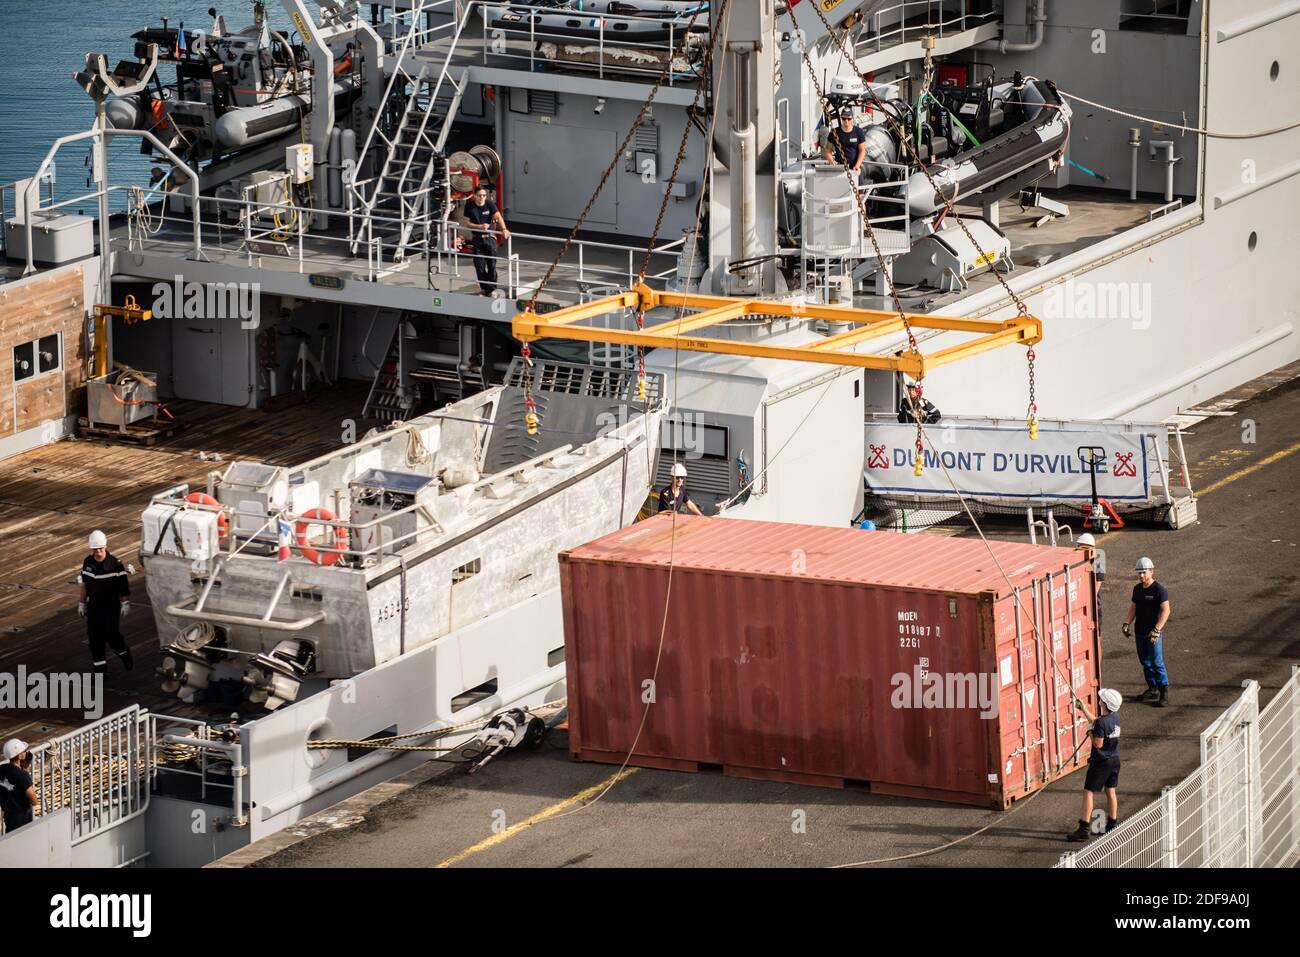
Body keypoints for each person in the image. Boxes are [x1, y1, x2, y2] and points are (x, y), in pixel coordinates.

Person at [1067, 688, 1123, 842]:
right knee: (1110, 791)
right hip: (1114, 760)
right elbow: (1097, 722)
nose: (1099, 700)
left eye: (1101, 699)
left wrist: (1090, 733)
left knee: (1088, 792)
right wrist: (1083, 708)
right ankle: (1112, 823)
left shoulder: (1100, 723)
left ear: (1104, 703)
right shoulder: (1115, 717)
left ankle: (1084, 828)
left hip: (1100, 763)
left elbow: (1098, 744)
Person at [79, 530, 133, 675]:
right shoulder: (87, 563)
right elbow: (85, 585)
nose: (98, 552)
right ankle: (100, 671)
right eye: (95, 549)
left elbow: (123, 588)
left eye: (100, 548)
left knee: (111, 635)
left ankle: (124, 653)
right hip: (94, 607)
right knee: (94, 638)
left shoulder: (116, 565)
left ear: (105, 546)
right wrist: (82, 603)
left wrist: (125, 603)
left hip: (111, 607)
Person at [1124, 557, 1170, 707]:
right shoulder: (1137, 589)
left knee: (1157, 662)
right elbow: (1133, 607)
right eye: (1139, 573)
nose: (1141, 576)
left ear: (1151, 571)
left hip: (1153, 633)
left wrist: (1157, 630)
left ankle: (1164, 691)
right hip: (1140, 633)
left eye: (1144, 572)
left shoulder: (1159, 590)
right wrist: (1126, 623)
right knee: (1145, 661)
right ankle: (1153, 688)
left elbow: (1166, 611)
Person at [463, 186, 511, 297]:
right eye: (480, 195)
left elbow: (498, 217)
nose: (482, 198)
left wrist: (504, 229)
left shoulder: (489, 204)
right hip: (477, 239)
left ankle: (492, 288)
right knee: (479, 266)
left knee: (492, 265)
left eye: (484, 195)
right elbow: (466, 223)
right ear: (475, 196)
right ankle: (485, 288)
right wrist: (480, 226)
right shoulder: (469, 206)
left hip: (490, 238)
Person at [0, 738, 38, 834]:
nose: (25, 752)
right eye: (24, 751)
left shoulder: (1, 769)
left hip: (8, 814)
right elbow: (33, 799)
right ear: (20, 755)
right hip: (22, 815)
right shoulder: (22, 775)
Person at [822, 106, 867, 183]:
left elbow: (862, 151)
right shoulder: (834, 132)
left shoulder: (858, 132)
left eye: (849, 119)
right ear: (841, 118)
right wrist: (831, 160)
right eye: (844, 119)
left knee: (860, 193)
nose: (846, 121)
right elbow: (827, 151)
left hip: (855, 167)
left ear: (852, 119)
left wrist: (857, 166)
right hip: (839, 168)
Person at [1076, 532, 1106, 627]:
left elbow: (1097, 584)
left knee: (1095, 633)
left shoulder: (1098, 561)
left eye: (1083, 548)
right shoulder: (1079, 560)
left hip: (1093, 606)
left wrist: (1087, 602)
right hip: (1081, 604)